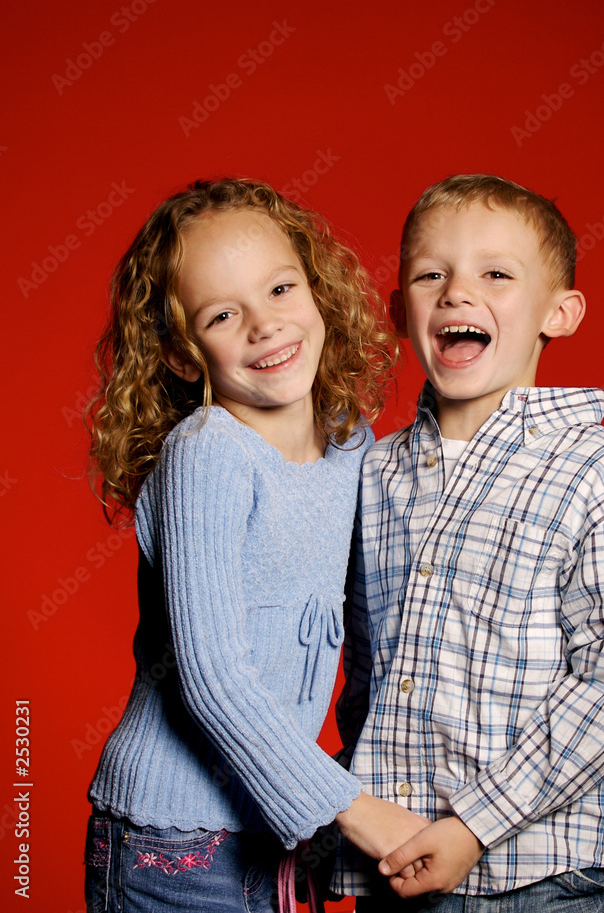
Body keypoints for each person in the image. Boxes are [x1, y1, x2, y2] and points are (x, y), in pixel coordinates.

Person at [334, 174, 604, 911]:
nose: (459, 293)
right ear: (401, 309)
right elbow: (365, 677)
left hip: (545, 878)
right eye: (433, 274)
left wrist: (474, 822)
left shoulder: (594, 468)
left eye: (495, 274)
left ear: (559, 312)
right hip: (396, 872)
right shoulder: (372, 477)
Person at [83, 178, 427, 913]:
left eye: (279, 289)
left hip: (276, 840)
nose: (264, 326)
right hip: (172, 848)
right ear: (181, 356)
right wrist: (353, 809)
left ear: (318, 291)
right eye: (222, 314)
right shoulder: (209, 452)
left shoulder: (349, 450)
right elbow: (211, 675)